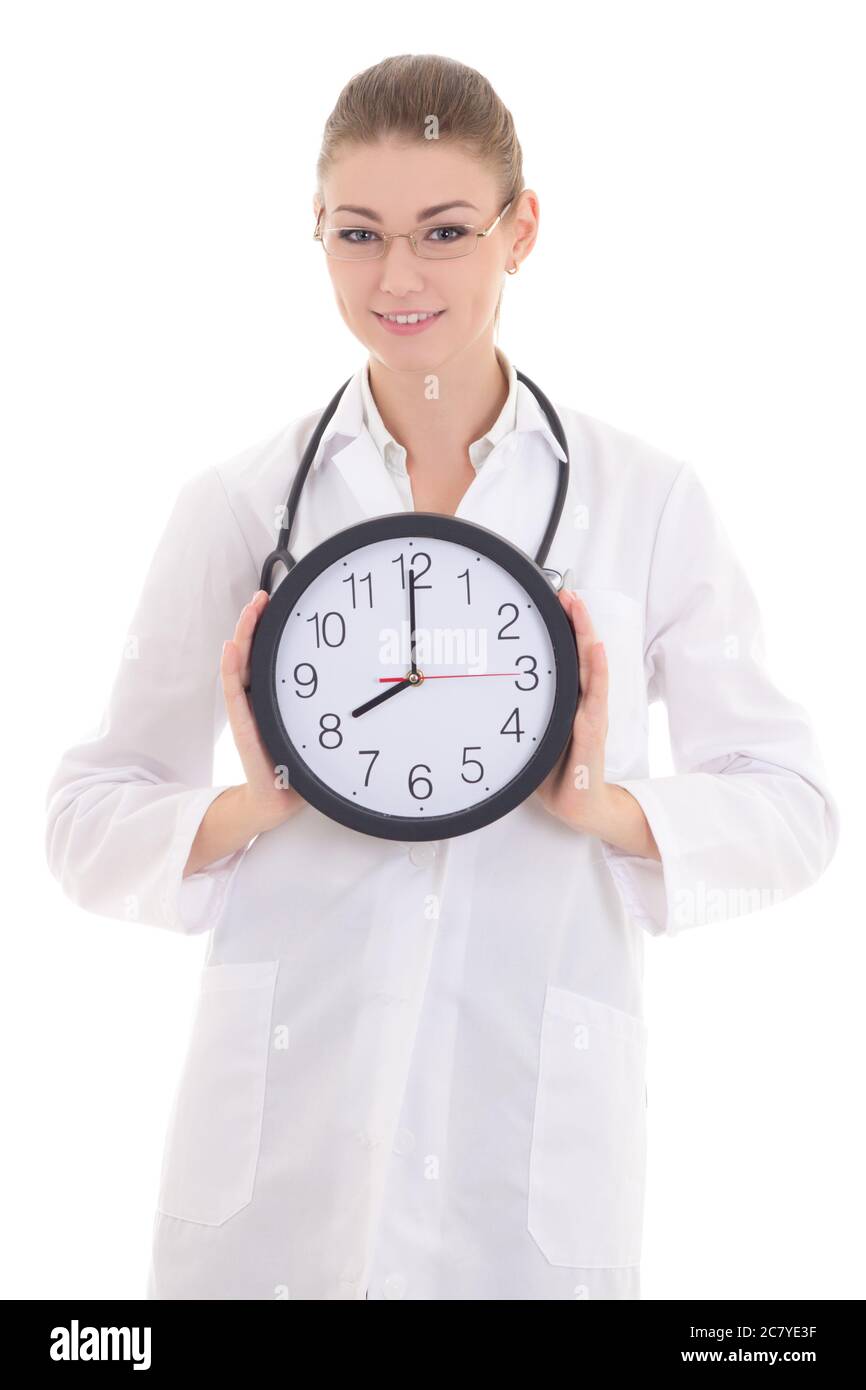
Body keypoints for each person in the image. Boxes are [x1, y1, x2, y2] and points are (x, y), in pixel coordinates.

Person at [44, 53, 839, 1301]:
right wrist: (253, 803)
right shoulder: (240, 504)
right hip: (281, 1174)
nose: (397, 276)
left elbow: (793, 808)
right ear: (314, 232)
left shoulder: (645, 499)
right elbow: (84, 814)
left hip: (523, 1159)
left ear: (522, 230)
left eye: (444, 231)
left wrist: (602, 805)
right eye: (357, 232)